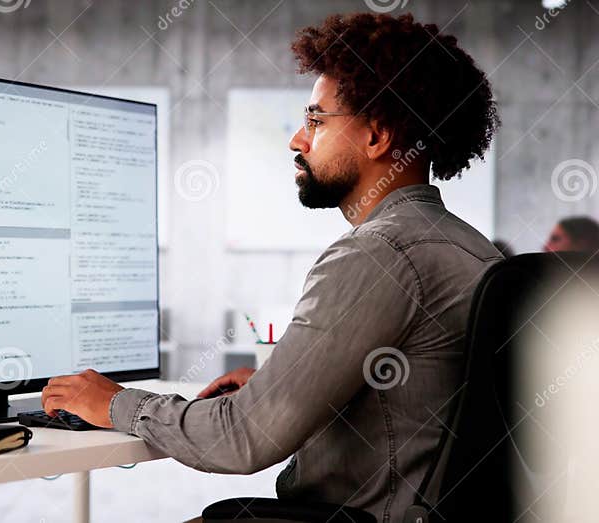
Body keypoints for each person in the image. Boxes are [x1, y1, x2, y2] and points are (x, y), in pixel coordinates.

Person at [41, 12, 502, 521]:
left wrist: (114, 402)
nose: (297, 140)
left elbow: (242, 439)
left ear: (377, 137)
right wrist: (278, 385)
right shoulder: (475, 249)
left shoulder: (376, 254)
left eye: (316, 121)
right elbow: (415, 404)